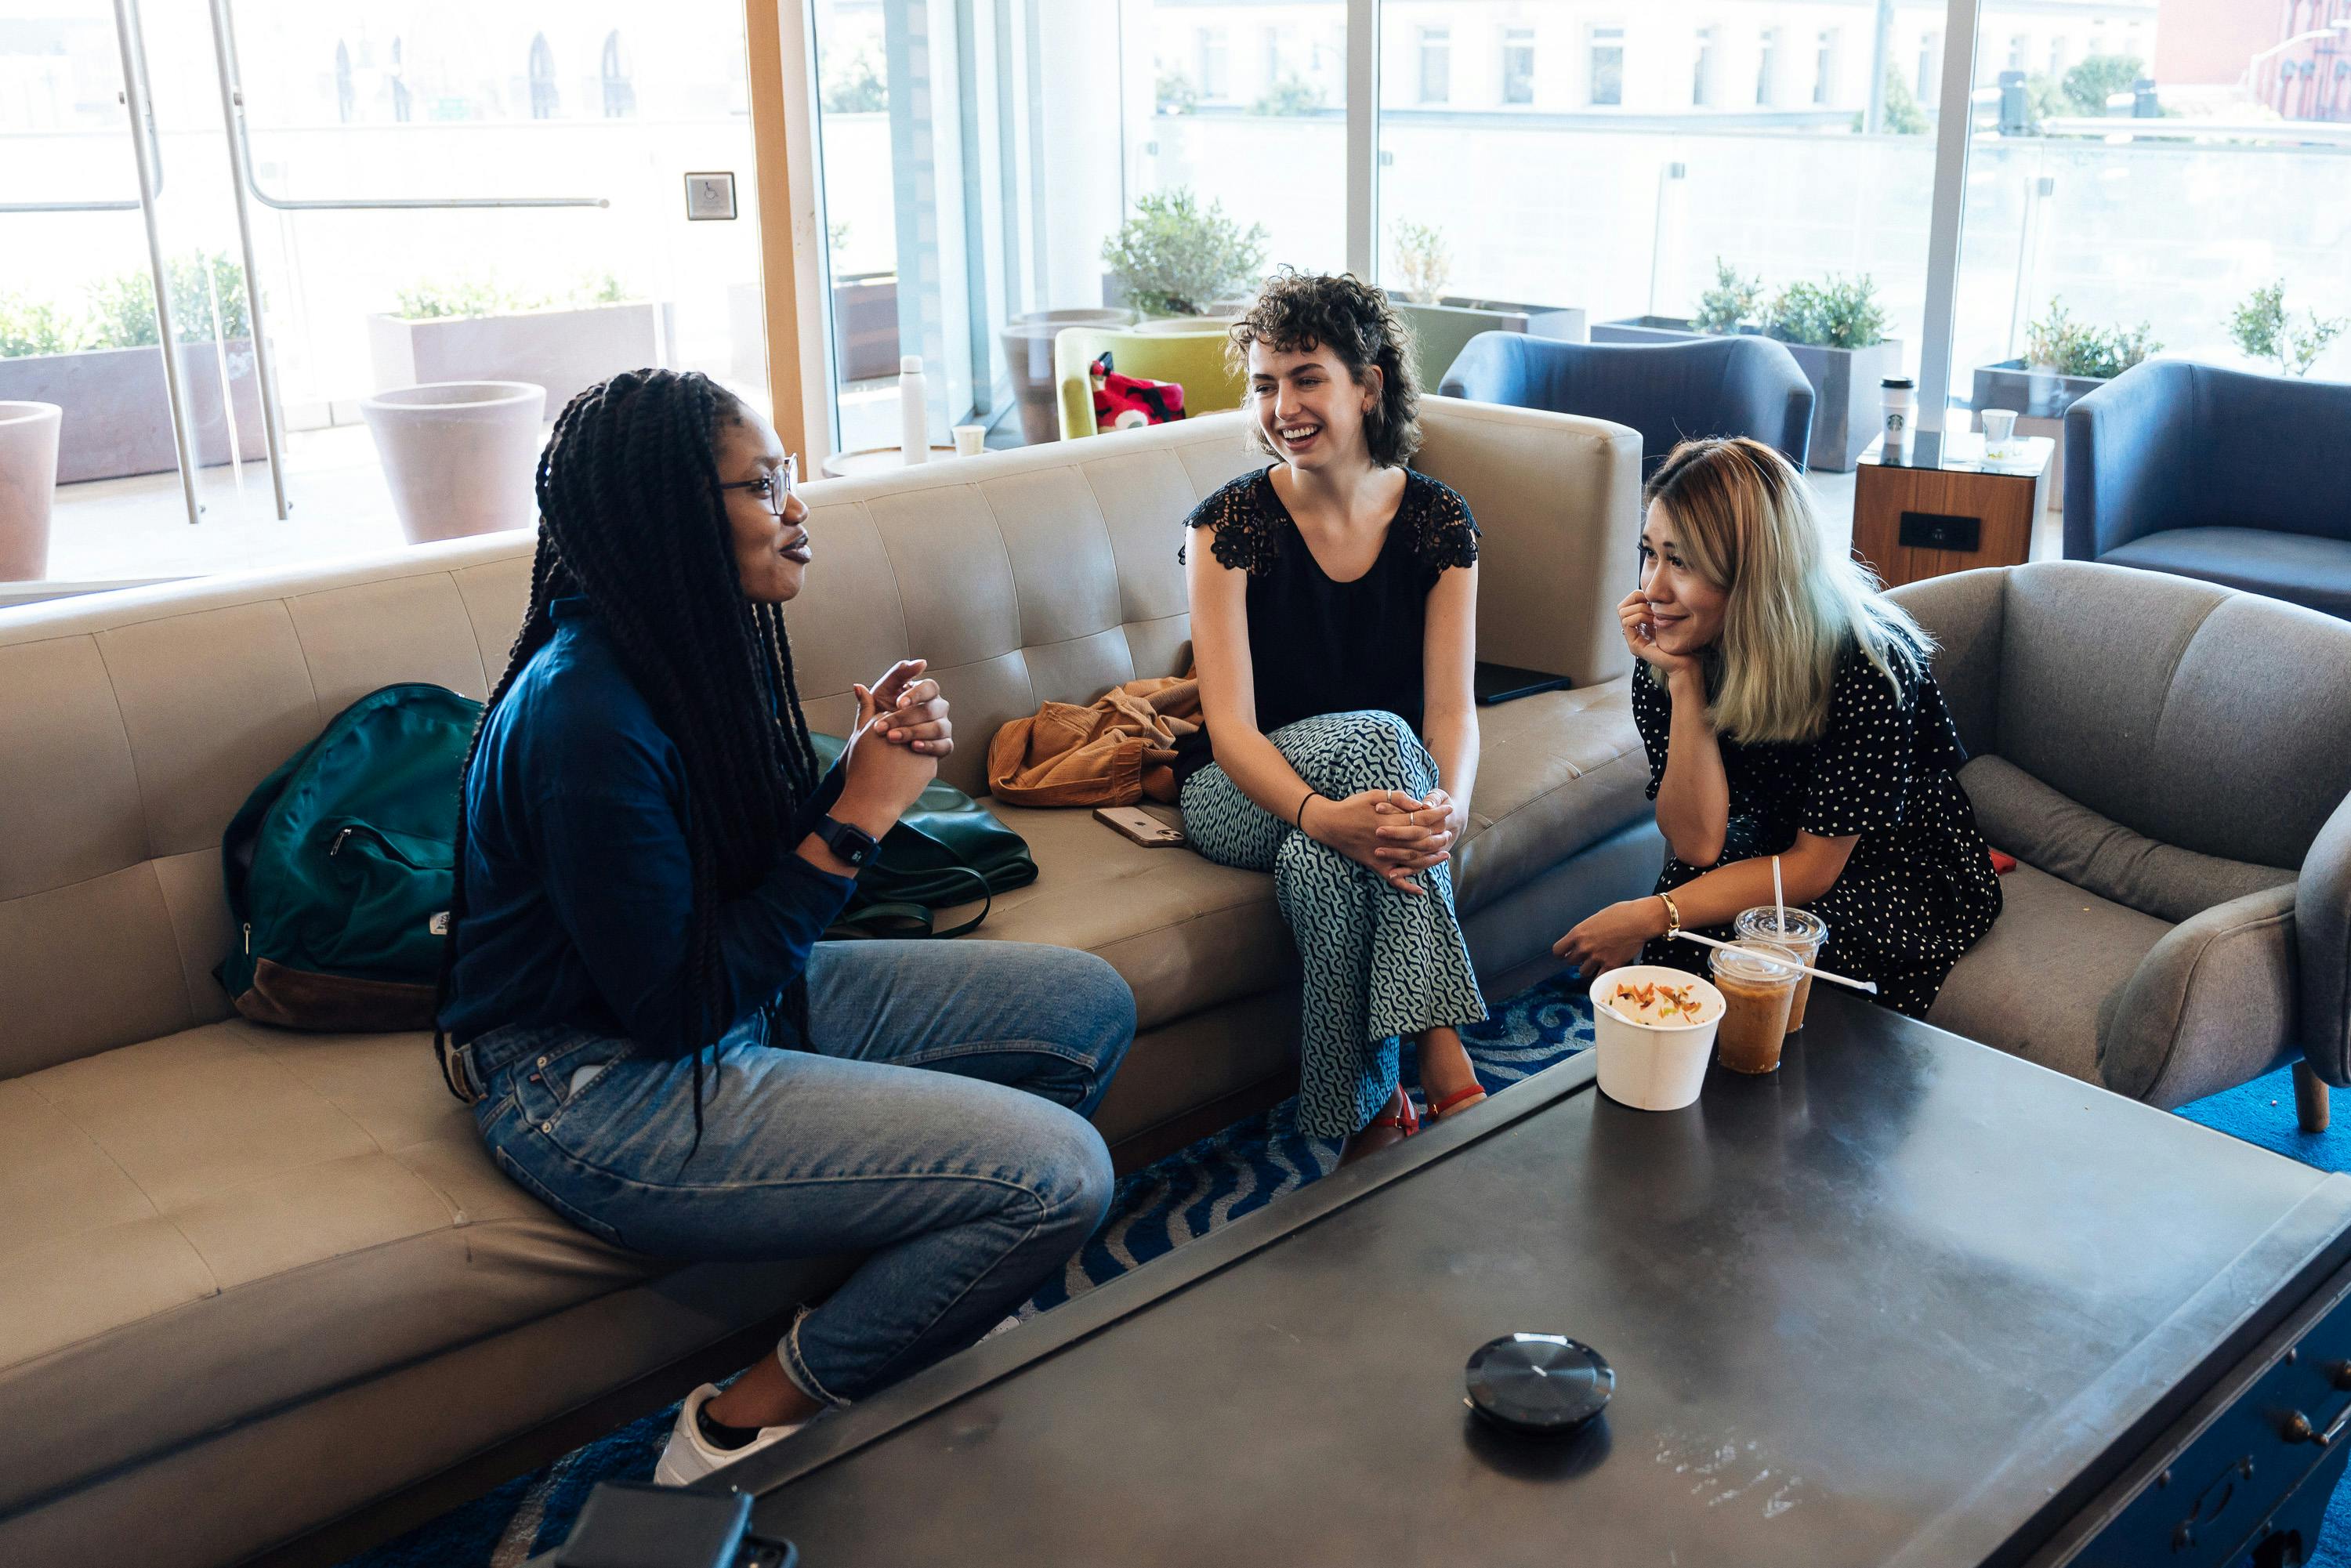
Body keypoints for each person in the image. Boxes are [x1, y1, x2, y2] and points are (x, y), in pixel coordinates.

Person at [434, 369, 1135, 1486]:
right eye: (762, 485)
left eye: (789, 474)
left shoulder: (687, 655)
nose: (797, 506)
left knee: (1084, 1005)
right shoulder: (584, 716)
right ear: (671, 512)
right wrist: (858, 817)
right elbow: (678, 1011)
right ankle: (736, 1424)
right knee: (1060, 1179)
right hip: (584, 1080)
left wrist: (857, 779)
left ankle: (905, 1309)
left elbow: (751, 901)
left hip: (710, 1006)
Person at [1176, 268, 1487, 1162]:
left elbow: (1452, 712)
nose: (1282, 405)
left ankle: (1362, 1126)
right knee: (1379, 738)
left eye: (1306, 376)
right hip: (1236, 793)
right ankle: (1439, 1045)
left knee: (1324, 874)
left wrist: (1449, 809)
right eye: (1266, 384)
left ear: (1368, 384)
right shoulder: (1225, 525)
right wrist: (1320, 813)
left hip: (1377, 802)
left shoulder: (1439, 523)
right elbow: (1228, 729)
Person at [1551, 436, 2001, 1012]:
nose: (1653, 589)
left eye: (1681, 561)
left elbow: (1814, 867)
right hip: (1769, 839)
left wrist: (1649, 912)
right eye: (1651, 552)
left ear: (1753, 573)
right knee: (1685, 952)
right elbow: (1697, 842)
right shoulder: (1670, 656)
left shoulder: (1868, 666)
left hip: (1891, 863)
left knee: (1760, 969)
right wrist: (1686, 686)